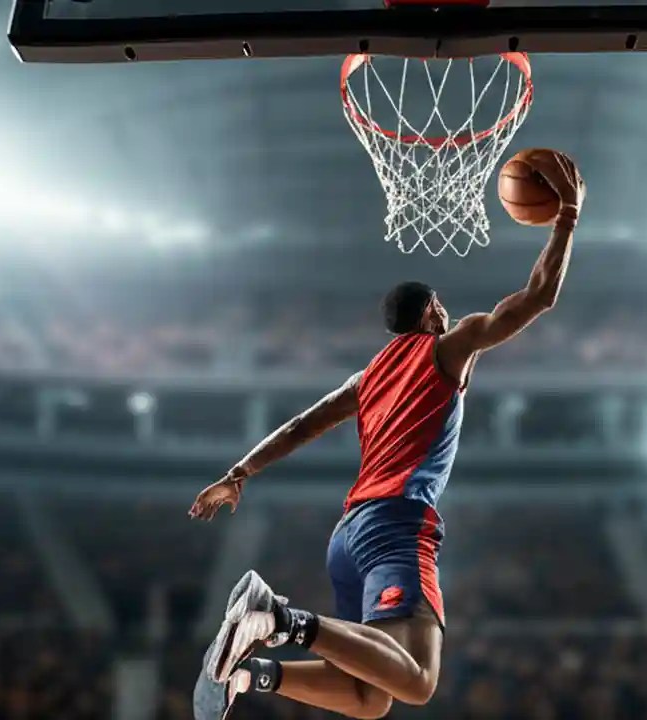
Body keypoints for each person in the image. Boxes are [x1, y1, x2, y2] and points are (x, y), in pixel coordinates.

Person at [188, 151, 586, 720]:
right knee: (419, 681)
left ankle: (251, 674)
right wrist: (567, 215)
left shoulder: (365, 378)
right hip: (396, 522)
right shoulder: (449, 345)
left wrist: (238, 474)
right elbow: (538, 296)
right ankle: (276, 617)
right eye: (441, 308)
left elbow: (300, 425)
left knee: (369, 697)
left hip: (348, 536)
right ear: (432, 312)